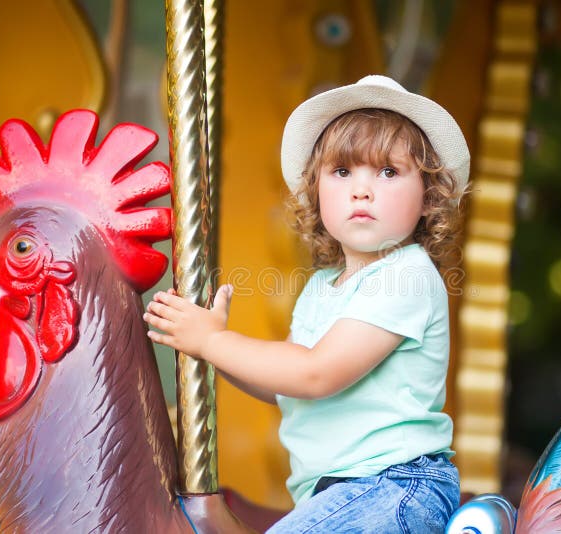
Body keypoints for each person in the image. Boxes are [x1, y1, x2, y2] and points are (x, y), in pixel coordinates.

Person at [144, 75, 470, 533]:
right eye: (342, 172)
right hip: (341, 493)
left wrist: (215, 341)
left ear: (428, 197)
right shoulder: (321, 286)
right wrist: (211, 353)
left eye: (388, 172)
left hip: (395, 485)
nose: (362, 190)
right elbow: (285, 385)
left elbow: (317, 374)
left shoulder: (406, 274)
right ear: (316, 190)